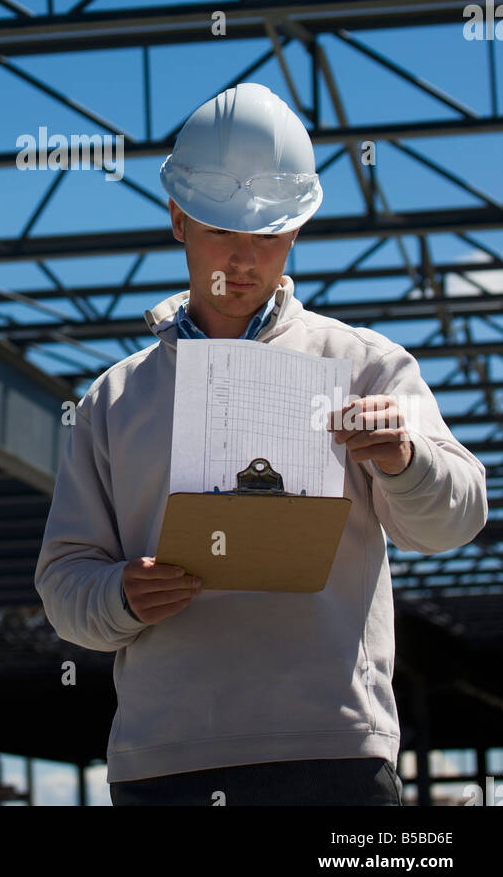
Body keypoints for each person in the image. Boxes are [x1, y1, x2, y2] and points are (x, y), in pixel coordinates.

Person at [34, 82, 488, 806]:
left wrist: (406, 461)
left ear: (298, 231)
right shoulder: (115, 402)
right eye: (222, 232)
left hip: (334, 752)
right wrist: (121, 593)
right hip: (166, 763)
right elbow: (63, 586)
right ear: (178, 218)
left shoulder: (365, 366)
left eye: (269, 237)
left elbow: (457, 519)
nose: (244, 260)